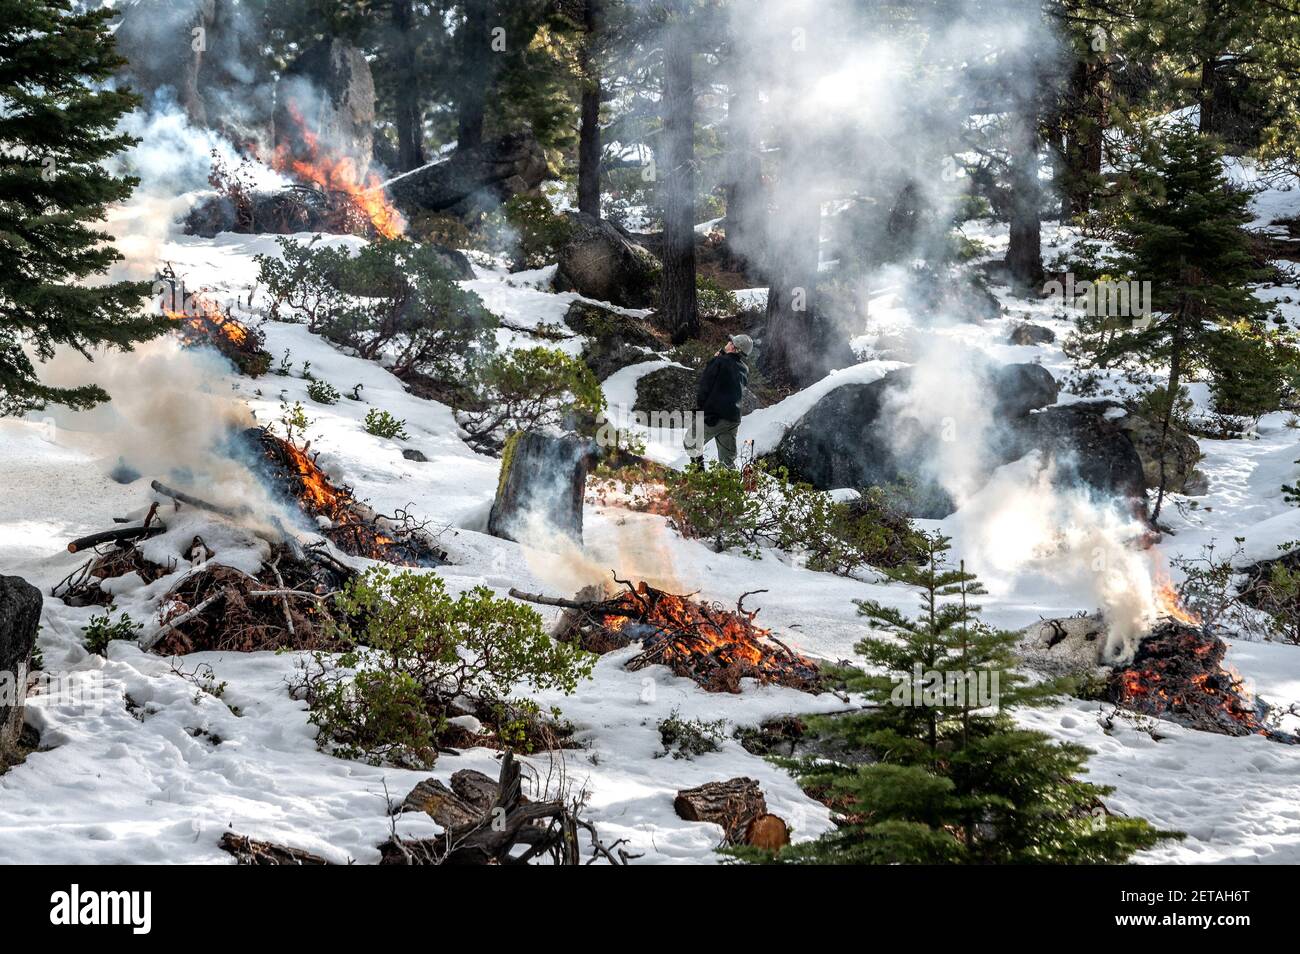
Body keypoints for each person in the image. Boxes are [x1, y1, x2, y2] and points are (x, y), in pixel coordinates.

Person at [685, 334, 752, 469]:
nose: (727, 343)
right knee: (727, 461)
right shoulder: (745, 368)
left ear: (733, 347)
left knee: (691, 442)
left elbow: (705, 385)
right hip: (733, 419)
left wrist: (701, 409)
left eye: (730, 342)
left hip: (715, 416)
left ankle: (698, 476)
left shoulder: (720, 362)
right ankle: (729, 488)